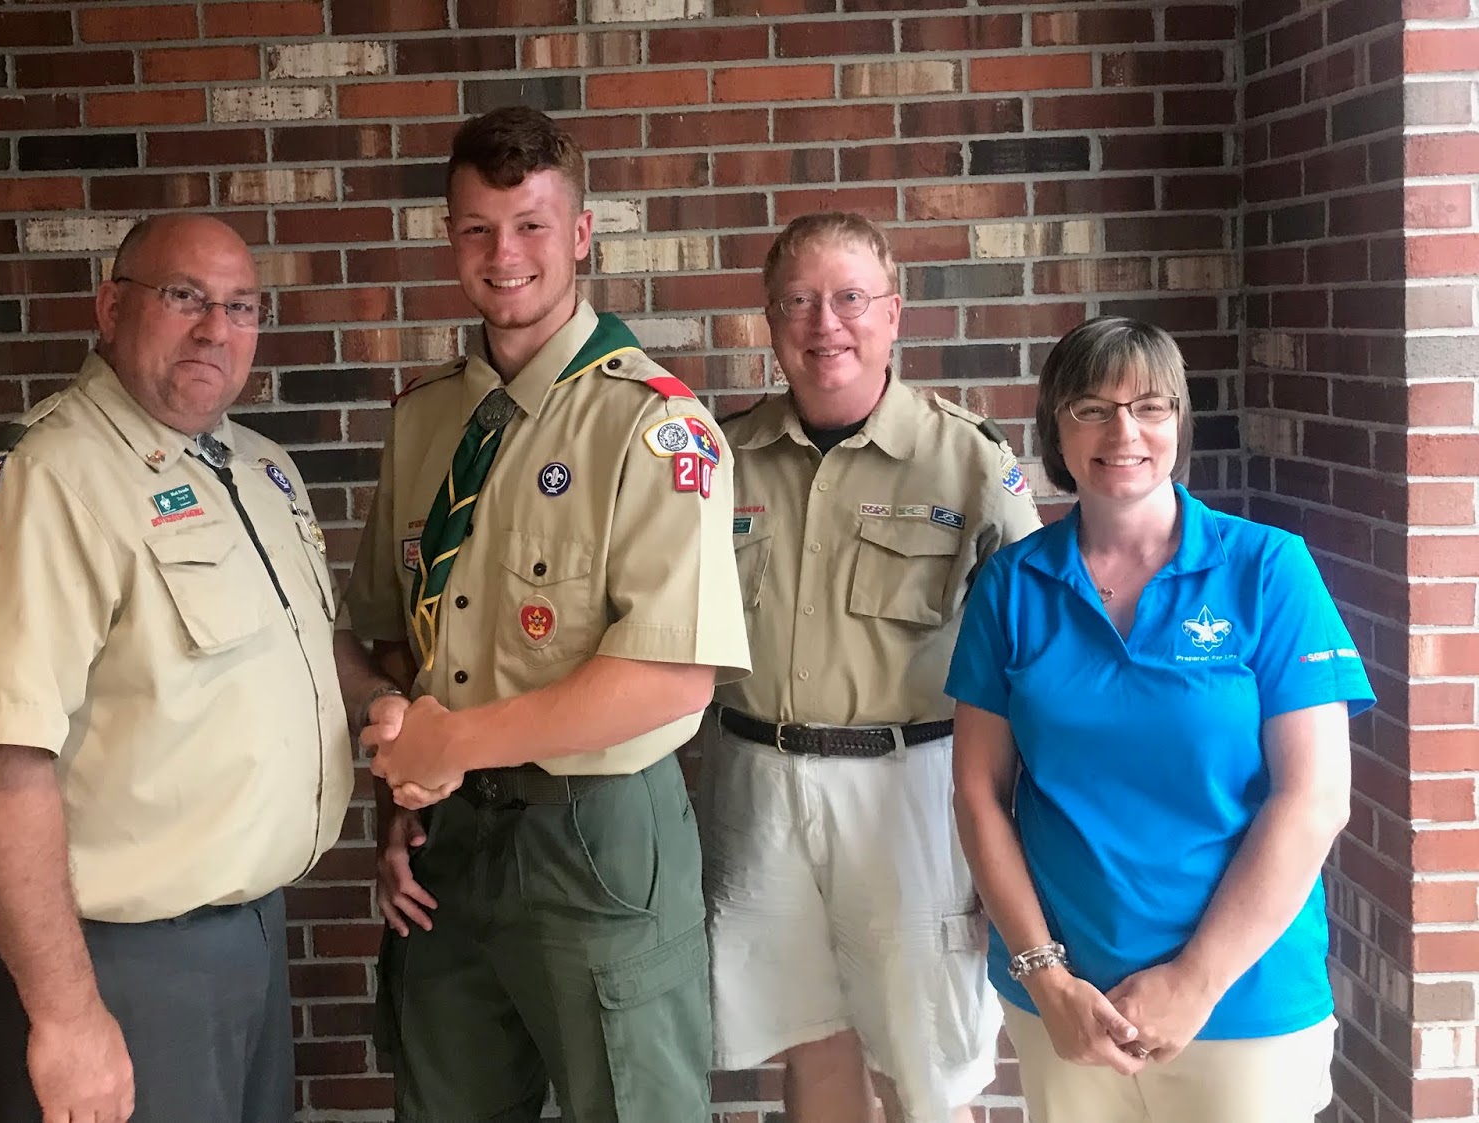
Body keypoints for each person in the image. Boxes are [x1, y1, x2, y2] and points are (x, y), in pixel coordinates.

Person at [334, 105, 750, 1123]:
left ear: (578, 233)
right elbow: (389, 642)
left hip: (594, 838)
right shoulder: (426, 417)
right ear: (450, 238)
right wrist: (403, 797)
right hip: (448, 843)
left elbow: (669, 674)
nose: (502, 254)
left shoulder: (652, 425)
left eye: (528, 225)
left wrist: (447, 742)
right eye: (477, 228)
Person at [0, 214, 353, 1123]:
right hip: (116, 962)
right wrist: (69, 1017)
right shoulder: (49, 478)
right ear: (112, 306)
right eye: (185, 296)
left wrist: (388, 704)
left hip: (249, 935)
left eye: (241, 306)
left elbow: (310, 648)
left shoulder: (259, 470)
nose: (215, 327)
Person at [945, 316, 1375, 1123]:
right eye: (1091, 409)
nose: (1124, 432)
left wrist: (1195, 981)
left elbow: (1315, 798)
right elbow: (977, 794)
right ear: (1056, 433)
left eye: (1149, 406)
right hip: (1066, 1006)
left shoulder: (1267, 569)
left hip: (1242, 1002)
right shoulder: (1012, 586)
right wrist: (1046, 975)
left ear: (1178, 421)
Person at [703, 212, 1043, 1123]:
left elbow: (1034, 654)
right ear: (770, 323)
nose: (827, 325)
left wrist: (1010, 826)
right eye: (799, 302)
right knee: (808, 1035)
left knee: (926, 1063)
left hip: (910, 788)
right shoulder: (720, 457)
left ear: (895, 313)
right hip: (755, 781)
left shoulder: (968, 460)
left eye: (851, 298)